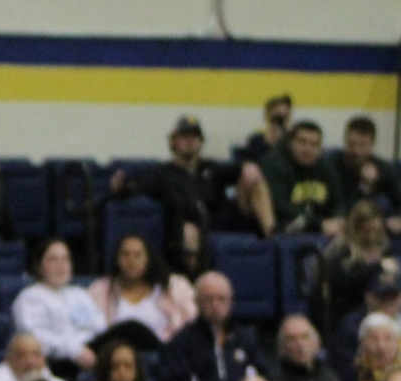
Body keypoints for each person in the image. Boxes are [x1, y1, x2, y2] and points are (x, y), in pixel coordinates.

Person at [109, 115, 274, 274]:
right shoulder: (162, 173)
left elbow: (247, 172)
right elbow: (133, 187)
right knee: (189, 232)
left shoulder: (210, 169)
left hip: (222, 223)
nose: (190, 141)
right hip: (188, 231)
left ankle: (272, 234)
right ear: (173, 141)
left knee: (252, 171)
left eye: (195, 137)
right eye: (184, 136)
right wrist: (121, 187)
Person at [159, 272, 260, 381]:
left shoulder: (245, 338)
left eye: (221, 299)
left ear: (231, 301)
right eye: (208, 299)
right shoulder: (182, 341)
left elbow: (261, 377)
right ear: (197, 303)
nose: (215, 305)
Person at [12, 239, 106, 377]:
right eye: (53, 259)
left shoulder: (80, 294)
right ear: (39, 266)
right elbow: (35, 338)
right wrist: (74, 350)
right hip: (58, 363)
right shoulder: (30, 297)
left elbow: (100, 325)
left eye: (65, 259)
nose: (60, 265)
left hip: (94, 351)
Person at [85, 234, 196, 342]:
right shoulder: (100, 291)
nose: (131, 261)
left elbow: (192, 323)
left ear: (148, 259)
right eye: (125, 254)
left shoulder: (175, 288)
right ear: (117, 260)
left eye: (137, 255)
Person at [260, 121, 344, 236]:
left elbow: (337, 202)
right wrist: (319, 224)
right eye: (302, 142)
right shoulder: (274, 165)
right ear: (290, 143)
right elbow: (279, 206)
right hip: (284, 231)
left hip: (321, 231)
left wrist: (339, 219)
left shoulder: (326, 168)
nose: (307, 149)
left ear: (320, 149)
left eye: (314, 144)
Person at [329, 116, 401, 234]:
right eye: (351, 144)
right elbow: (340, 208)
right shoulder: (332, 165)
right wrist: (364, 187)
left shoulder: (382, 167)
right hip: (341, 222)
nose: (356, 151)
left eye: (362, 145)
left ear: (372, 145)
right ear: (345, 140)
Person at [320, 200, 396, 322]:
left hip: (378, 305)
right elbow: (341, 283)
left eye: (375, 231)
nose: (371, 236)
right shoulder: (342, 250)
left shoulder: (384, 248)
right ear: (356, 228)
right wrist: (377, 267)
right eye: (366, 231)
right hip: (348, 311)